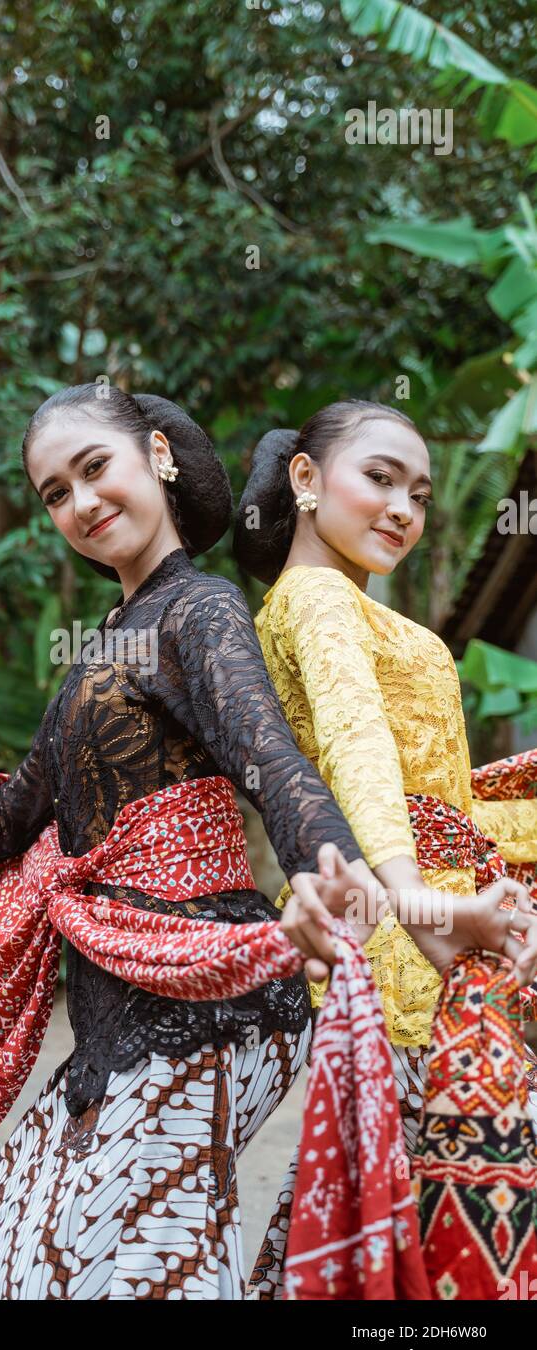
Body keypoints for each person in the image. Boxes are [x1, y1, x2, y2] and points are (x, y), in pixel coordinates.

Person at [0, 386, 535, 1301]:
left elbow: (275, 765)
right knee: (2, 1242)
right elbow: (5, 821)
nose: (82, 503)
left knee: (142, 1267)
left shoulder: (200, 612)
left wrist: (382, 892)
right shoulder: (103, 648)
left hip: (211, 997)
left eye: (96, 469)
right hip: (114, 1008)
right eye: (56, 492)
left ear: (161, 459)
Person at [234, 399, 537, 1293]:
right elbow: (357, 753)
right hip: (408, 939)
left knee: (375, 1201)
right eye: (380, 478)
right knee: (412, 1203)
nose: (404, 508)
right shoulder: (321, 600)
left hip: (417, 912)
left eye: (420, 492)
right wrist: (425, 904)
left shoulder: (334, 604)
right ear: (306, 480)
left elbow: (437, 798)